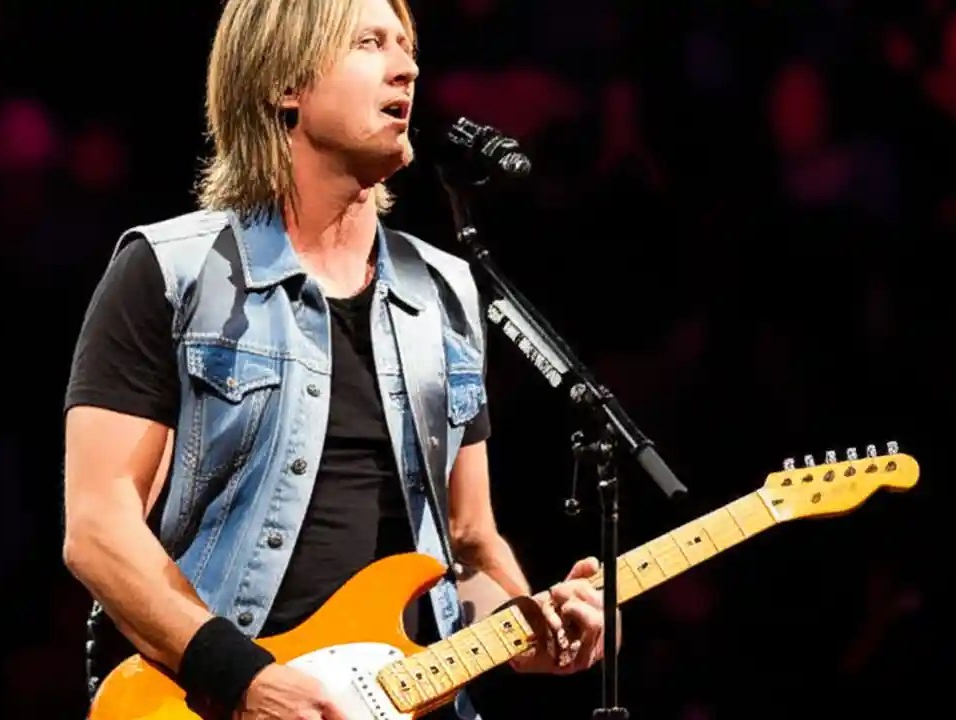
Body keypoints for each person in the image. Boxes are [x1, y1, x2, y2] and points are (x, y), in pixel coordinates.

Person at [61, 0, 613, 718]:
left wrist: (533, 632)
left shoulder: (443, 289)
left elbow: (469, 546)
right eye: (370, 41)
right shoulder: (172, 271)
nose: (406, 65)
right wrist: (244, 677)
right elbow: (98, 528)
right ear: (285, 84)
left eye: (407, 45)